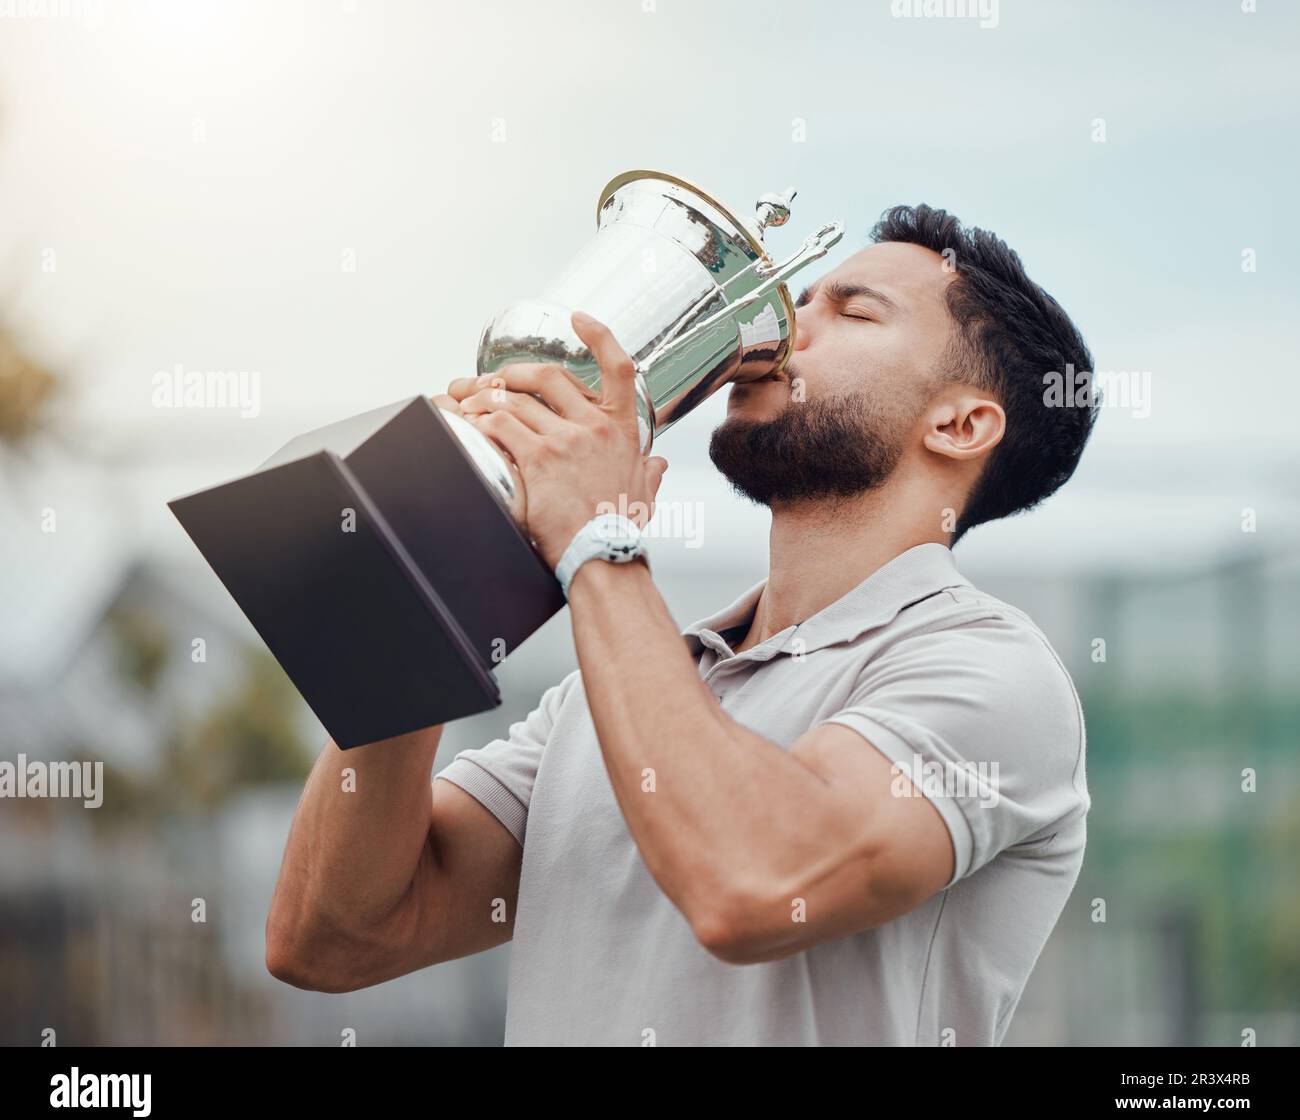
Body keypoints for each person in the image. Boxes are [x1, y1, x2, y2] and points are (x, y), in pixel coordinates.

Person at [266, 204, 1097, 1046]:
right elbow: (333, 937)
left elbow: (754, 880)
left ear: (961, 425)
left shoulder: (993, 671)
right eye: (799, 299)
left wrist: (596, 540)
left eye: (850, 311)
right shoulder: (612, 693)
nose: (780, 325)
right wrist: (431, 590)